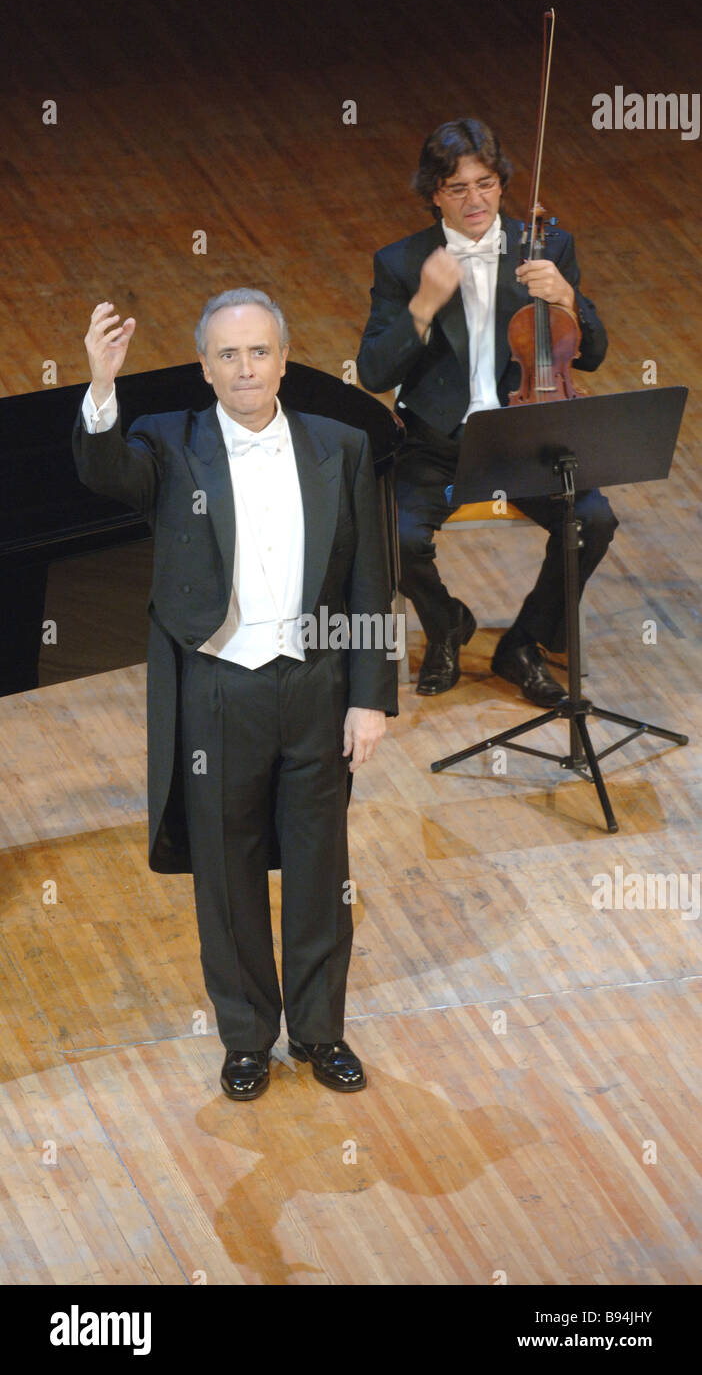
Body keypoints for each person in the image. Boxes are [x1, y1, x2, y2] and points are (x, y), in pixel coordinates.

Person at [73, 288, 398, 1101]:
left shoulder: (342, 446)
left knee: (323, 869)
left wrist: (371, 698)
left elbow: (370, 583)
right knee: (227, 870)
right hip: (217, 691)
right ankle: (246, 1039)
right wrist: (102, 387)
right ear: (206, 368)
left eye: (259, 352)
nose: (246, 368)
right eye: (228, 354)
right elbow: (105, 472)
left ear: (284, 360)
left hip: (317, 687)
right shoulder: (168, 442)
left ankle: (321, 1033)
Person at [357, 117, 617, 703]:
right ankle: (447, 621)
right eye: (457, 188)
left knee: (592, 522)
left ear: (502, 183)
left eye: (487, 183)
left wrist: (569, 297)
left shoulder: (547, 248)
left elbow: (594, 354)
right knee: (392, 537)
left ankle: (524, 641)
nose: (475, 200)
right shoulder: (401, 262)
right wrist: (423, 305)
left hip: (526, 435)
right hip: (436, 442)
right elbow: (374, 372)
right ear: (433, 195)